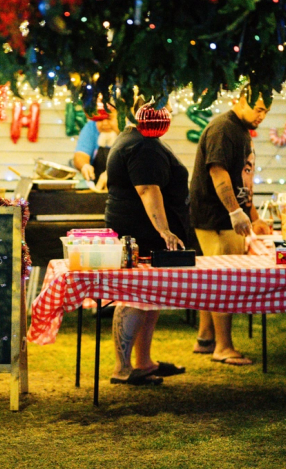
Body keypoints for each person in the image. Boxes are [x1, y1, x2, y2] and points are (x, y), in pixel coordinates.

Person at [105, 99, 189, 385]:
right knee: (134, 297)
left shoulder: (134, 138)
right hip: (141, 233)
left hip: (138, 232)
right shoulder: (142, 144)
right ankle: (123, 368)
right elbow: (147, 190)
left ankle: (142, 363)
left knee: (148, 297)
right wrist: (165, 231)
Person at [189, 85, 273, 366]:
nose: (262, 115)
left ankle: (205, 338)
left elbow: (243, 177)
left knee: (212, 277)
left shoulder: (242, 131)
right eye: (258, 108)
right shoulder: (223, 128)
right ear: (241, 100)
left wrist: (254, 215)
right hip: (216, 218)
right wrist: (235, 212)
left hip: (229, 216)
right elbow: (218, 172)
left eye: (266, 110)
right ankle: (223, 347)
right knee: (222, 281)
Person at [73, 104, 119, 191]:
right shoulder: (91, 127)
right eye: (100, 119)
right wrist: (84, 166)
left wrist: (115, 174)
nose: (105, 123)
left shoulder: (131, 131)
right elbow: (80, 154)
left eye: (109, 118)